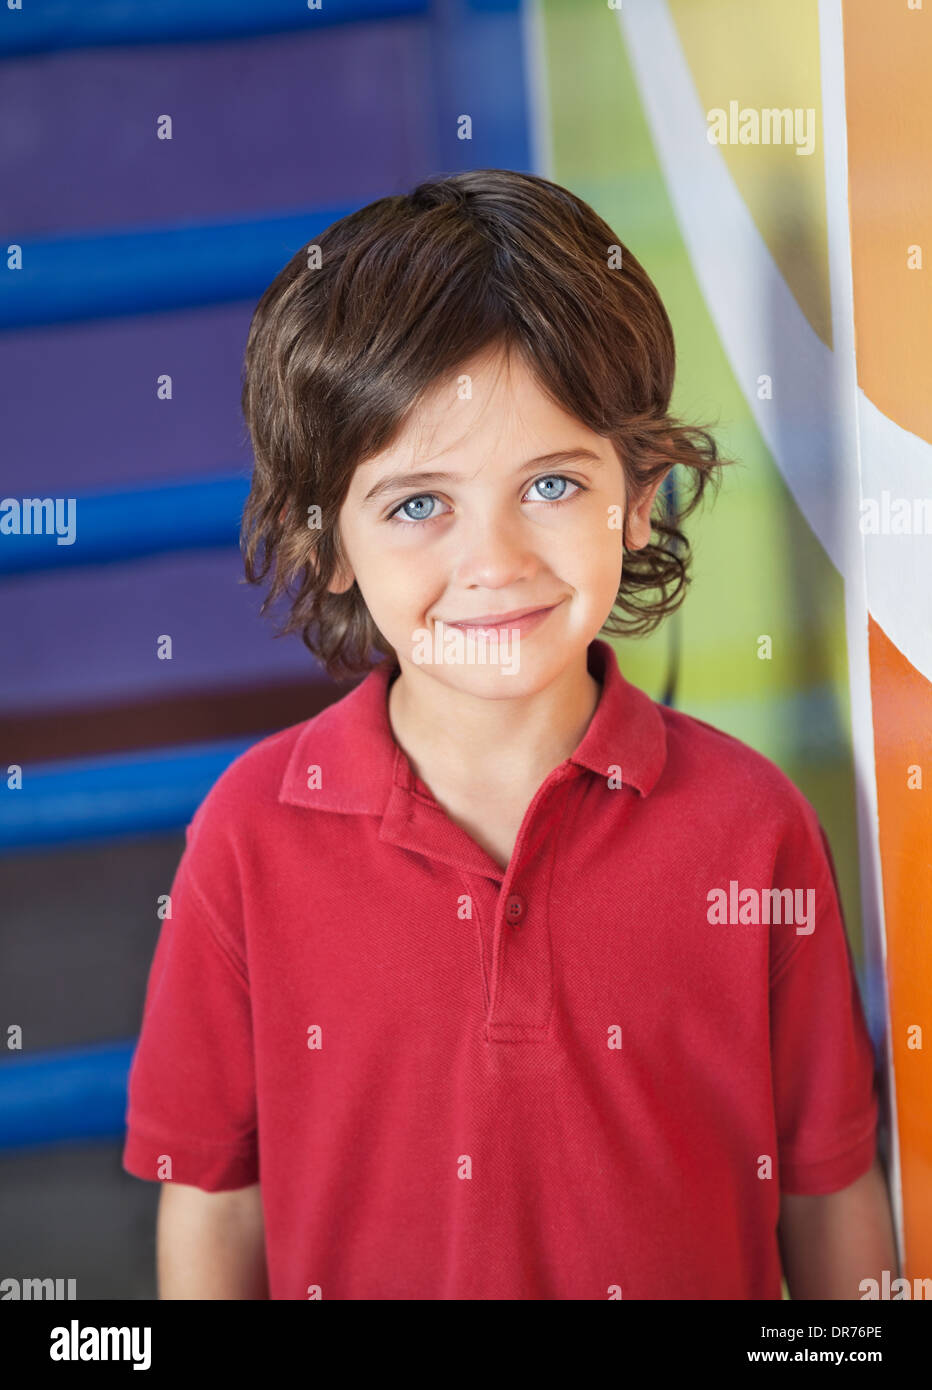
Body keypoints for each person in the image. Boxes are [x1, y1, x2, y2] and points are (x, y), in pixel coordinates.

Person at [122, 168, 897, 1299]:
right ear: (328, 538)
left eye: (548, 483)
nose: (493, 563)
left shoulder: (753, 830)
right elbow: (214, 1201)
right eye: (417, 503)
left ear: (636, 498)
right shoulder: (246, 838)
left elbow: (828, 1195)